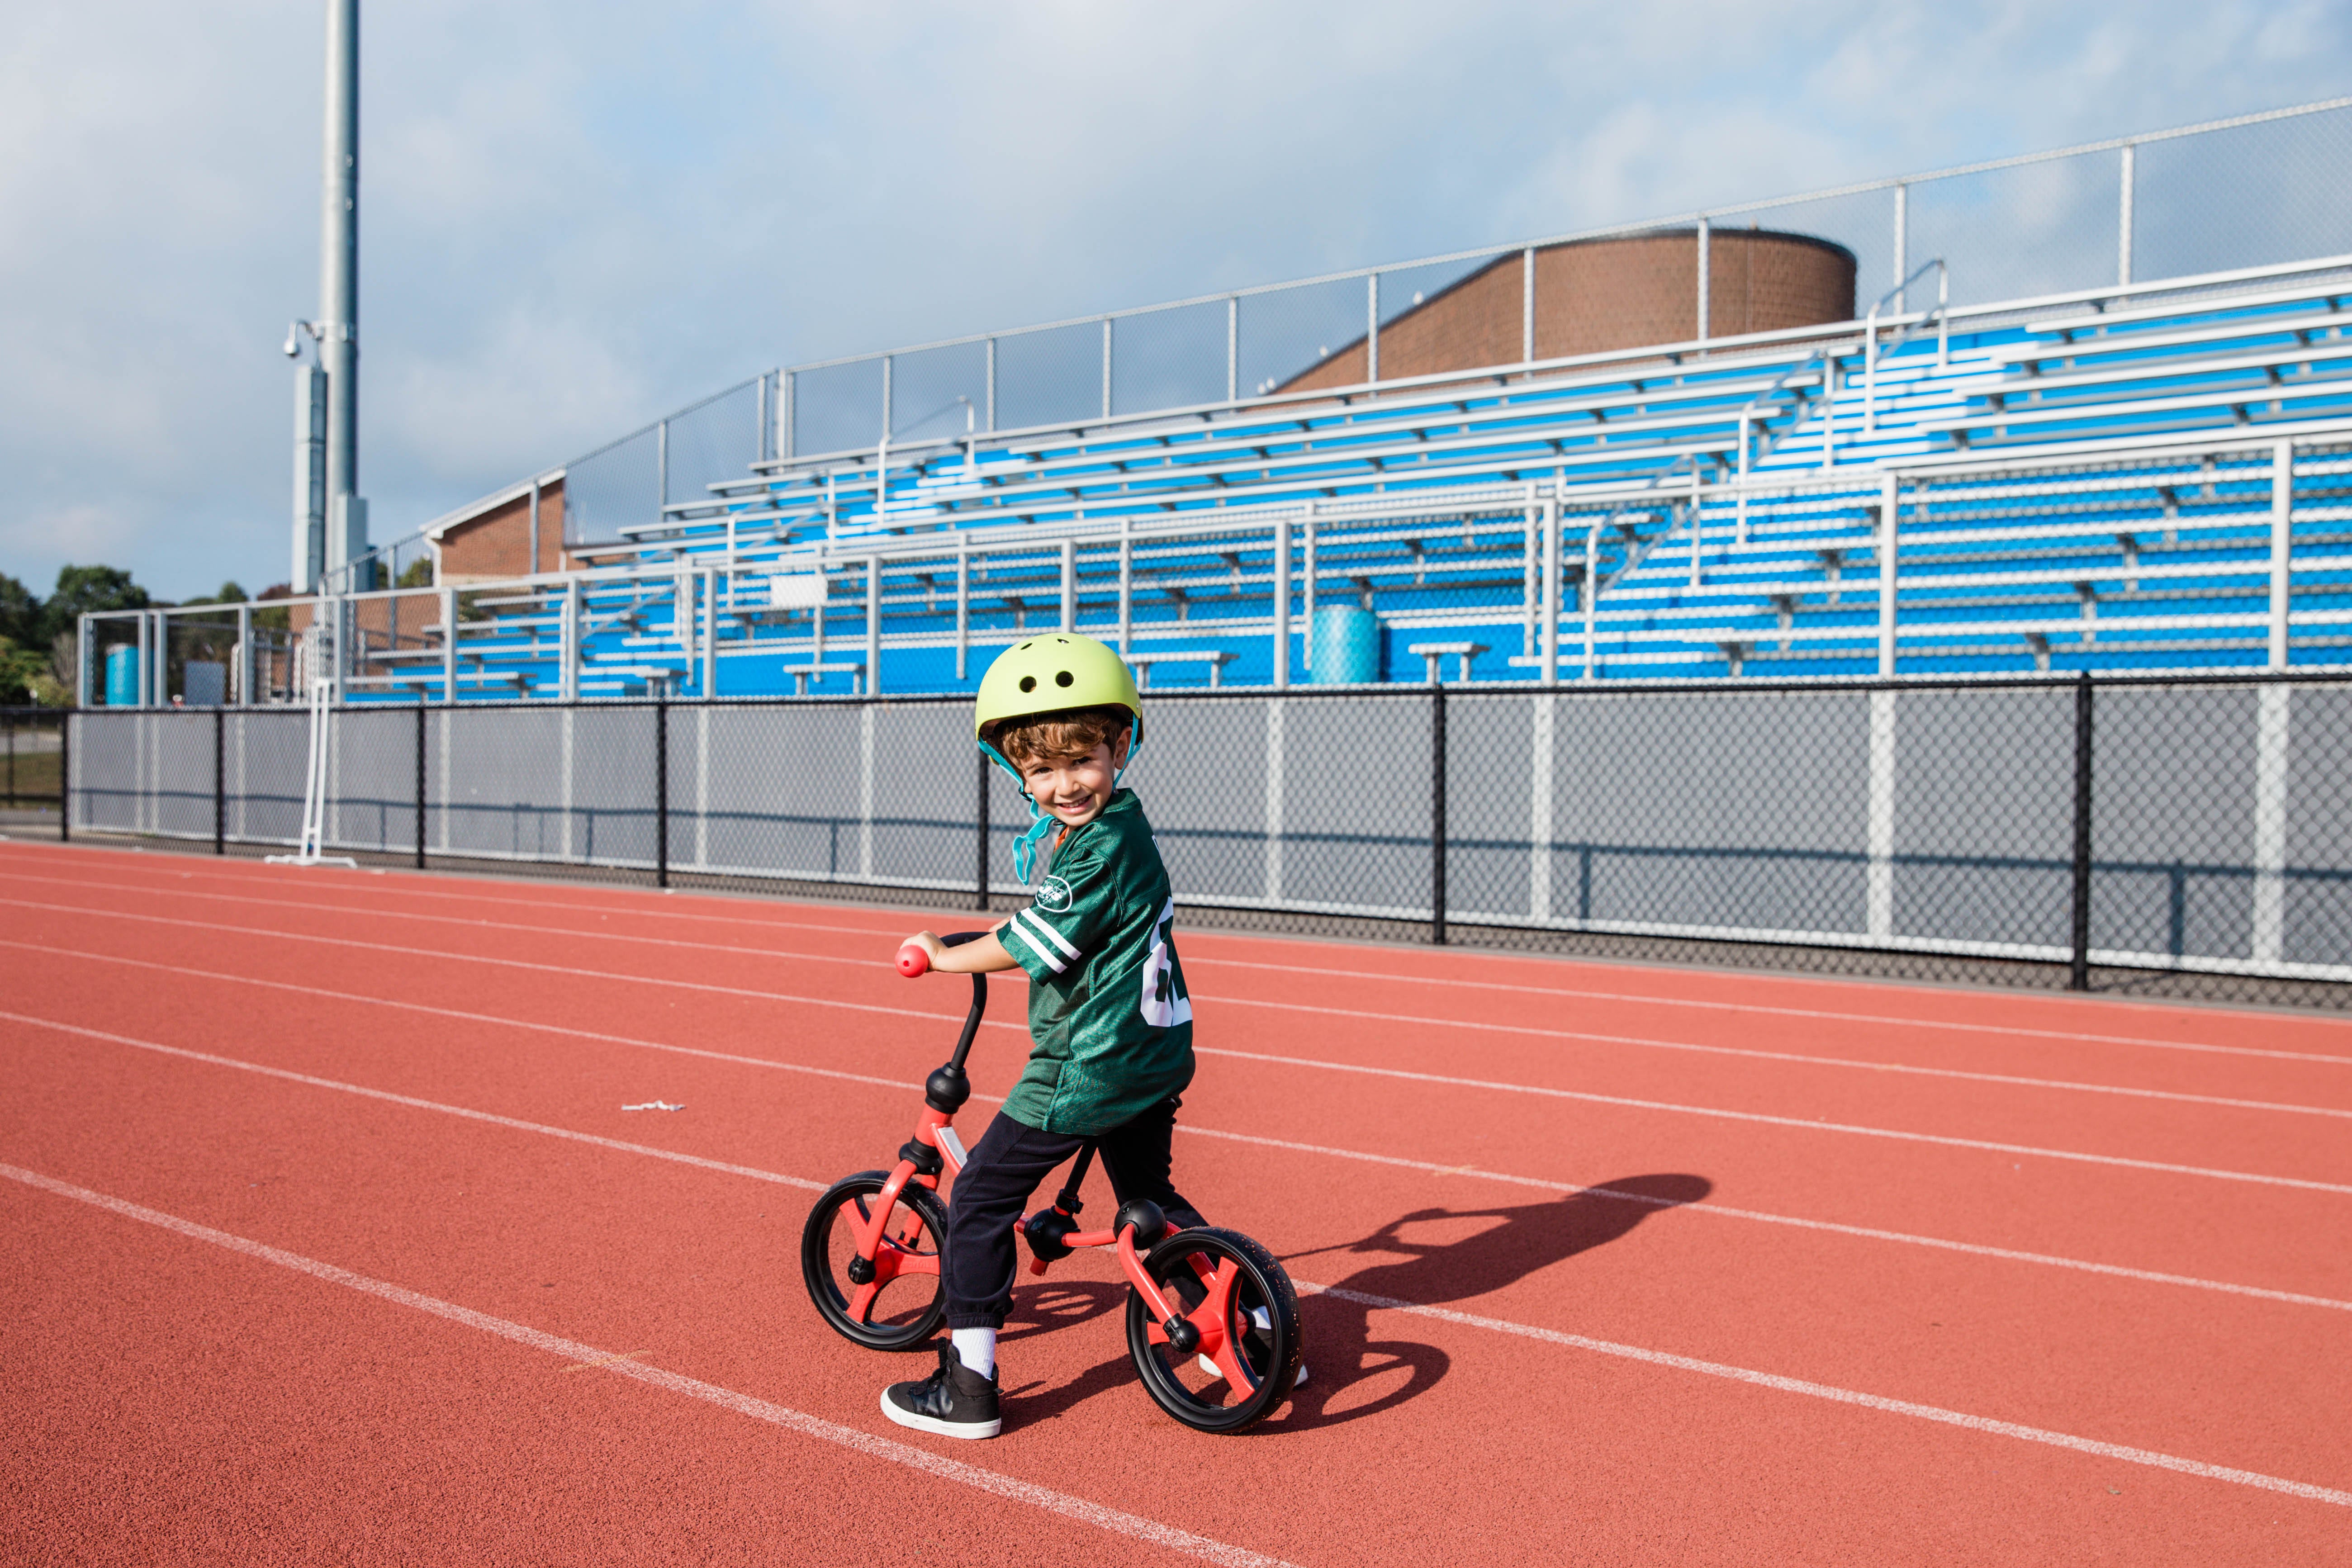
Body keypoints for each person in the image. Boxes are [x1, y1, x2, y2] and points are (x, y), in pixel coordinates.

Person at [880, 632, 1228, 1440]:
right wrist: (998, 933)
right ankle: (1241, 1326)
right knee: (1149, 1200)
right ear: (1018, 773)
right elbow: (1060, 920)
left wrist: (940, 958)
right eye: (1043, 770)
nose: (1065, 784)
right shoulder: (1125, 827)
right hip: (1153, 1053)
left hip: (1090, 1064)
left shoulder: (1097, 849)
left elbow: (1034, 940)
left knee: (978, 1197)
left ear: (1119, 746)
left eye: (1084, 760)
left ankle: (969, 1386)